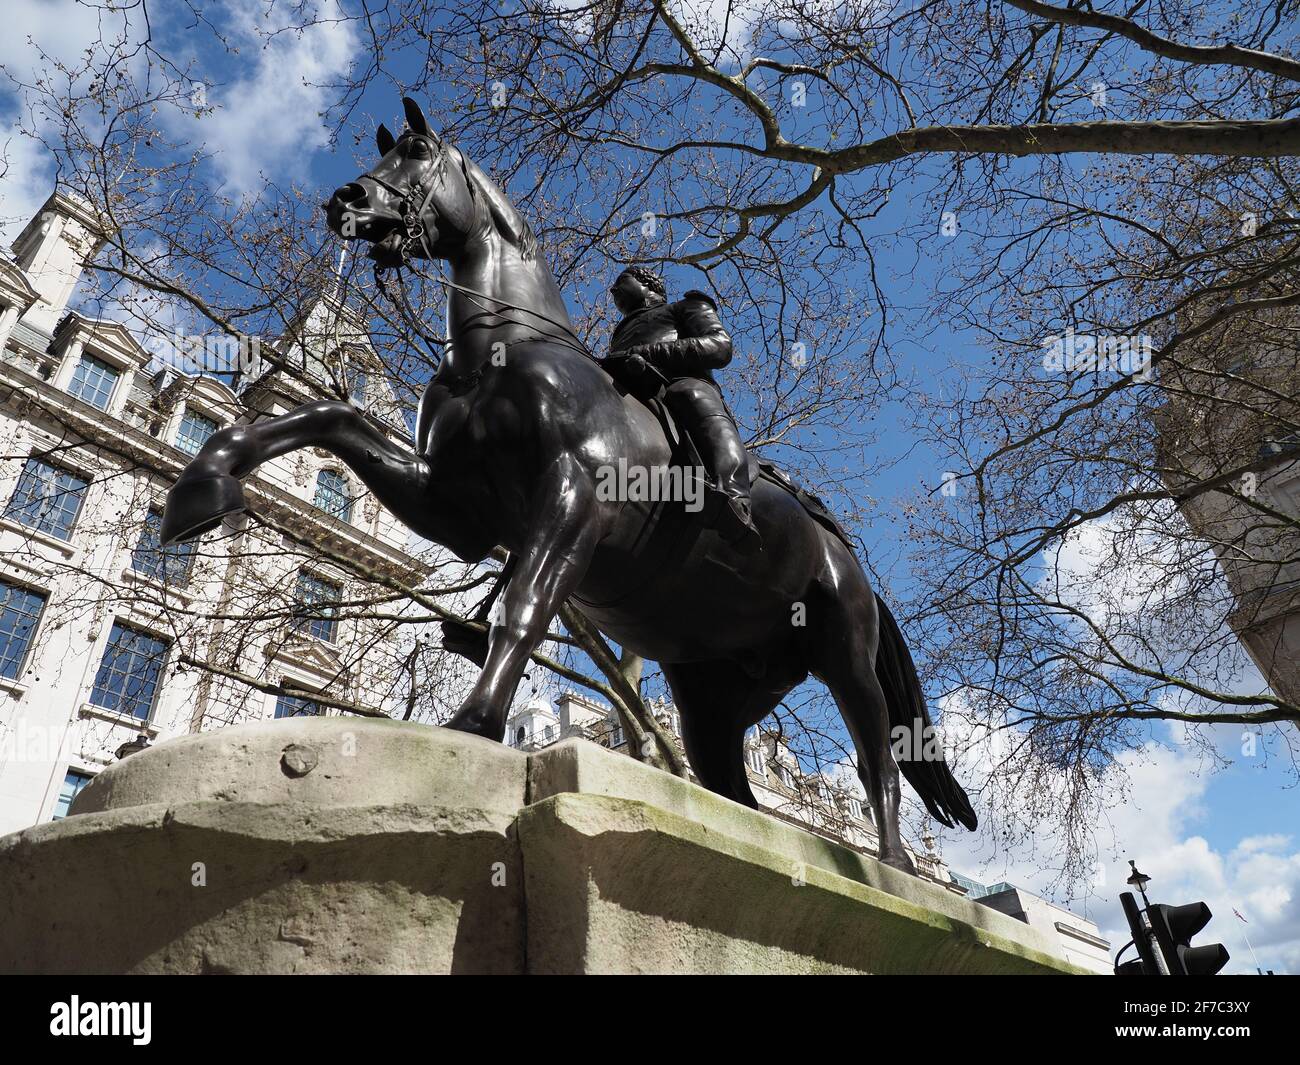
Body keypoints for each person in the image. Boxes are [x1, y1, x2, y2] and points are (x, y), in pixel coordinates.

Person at [604, 267, 761, 552]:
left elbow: (719, 347)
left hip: (678, 384)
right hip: (632, 393)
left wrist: (649, 353)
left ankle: (736, 500)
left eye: (620, 281)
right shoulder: (619, 334)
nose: (613, 290)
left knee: (690, 395)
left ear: (646, 282)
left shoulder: (686, 306)